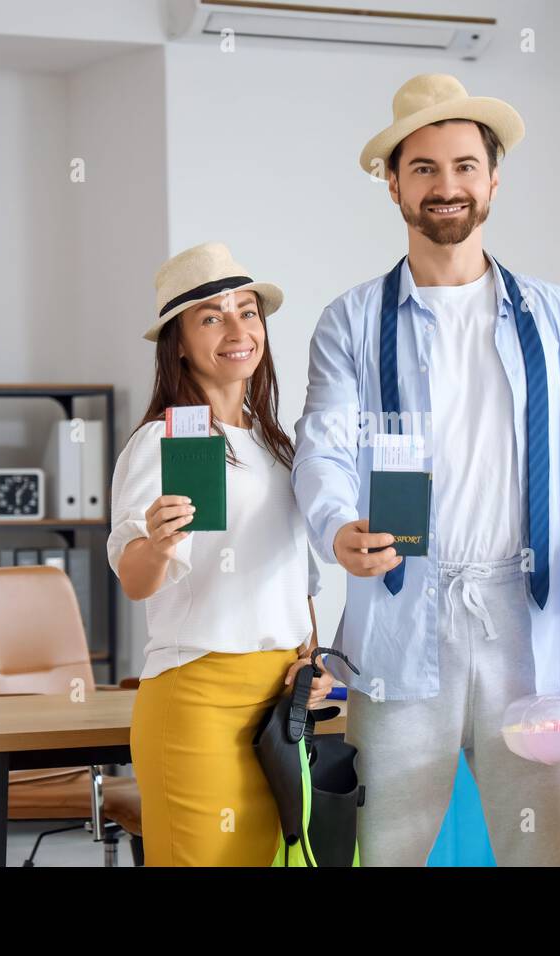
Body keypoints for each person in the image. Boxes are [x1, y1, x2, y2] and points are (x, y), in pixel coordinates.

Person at [291, 74, 560, 866]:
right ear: (392, 184)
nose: (446, 186)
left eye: (464, 166)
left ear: (494, 179)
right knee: (386, 850)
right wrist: (335, 527)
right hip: (399, 620)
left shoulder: (557, 319)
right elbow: (321, 444)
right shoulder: (352, 322)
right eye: (422, 168)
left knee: (546, 854)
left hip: (529, 625)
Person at [108, 241, 330, 866]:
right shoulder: (161, 441)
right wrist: (157, 542)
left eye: (248, 312)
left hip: (278, 707)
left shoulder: (276, 444)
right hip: (197, 699)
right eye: (211, 317)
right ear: (177, 342)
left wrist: (309, 659)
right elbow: (133, 578)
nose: (238, 329)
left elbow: (298, 574)